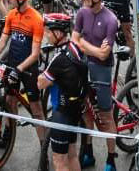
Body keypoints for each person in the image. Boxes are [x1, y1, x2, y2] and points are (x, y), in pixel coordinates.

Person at [0, 0, 48, 154]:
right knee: (9, 101)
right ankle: (7, 136)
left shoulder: (36, 19)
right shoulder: (12, 15)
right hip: (13, 63)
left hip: (28, 68)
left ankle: (43, 149)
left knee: (36, 110)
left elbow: (35, 54)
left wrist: (19, 69)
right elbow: (3, 41)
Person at [71, 0, 120, 171]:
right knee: (86, 111)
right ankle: (88, 152)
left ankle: (111, 159)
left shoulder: (110, 20)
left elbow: (103, 54)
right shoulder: (82, 12)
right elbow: (75, 39)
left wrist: (83, 44)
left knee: (106, 117)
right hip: (84, 65)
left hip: (102, 69)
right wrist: (87, 46)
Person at [38, 12, 89, 171]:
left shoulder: (59, 58)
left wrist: (40, 73)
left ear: (58, 33)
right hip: (75, 109)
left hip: (61, 112)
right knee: (72, 154)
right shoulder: (76, 48)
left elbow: (41, 84)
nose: (46, 35)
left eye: (48, 31)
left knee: (59, 160)